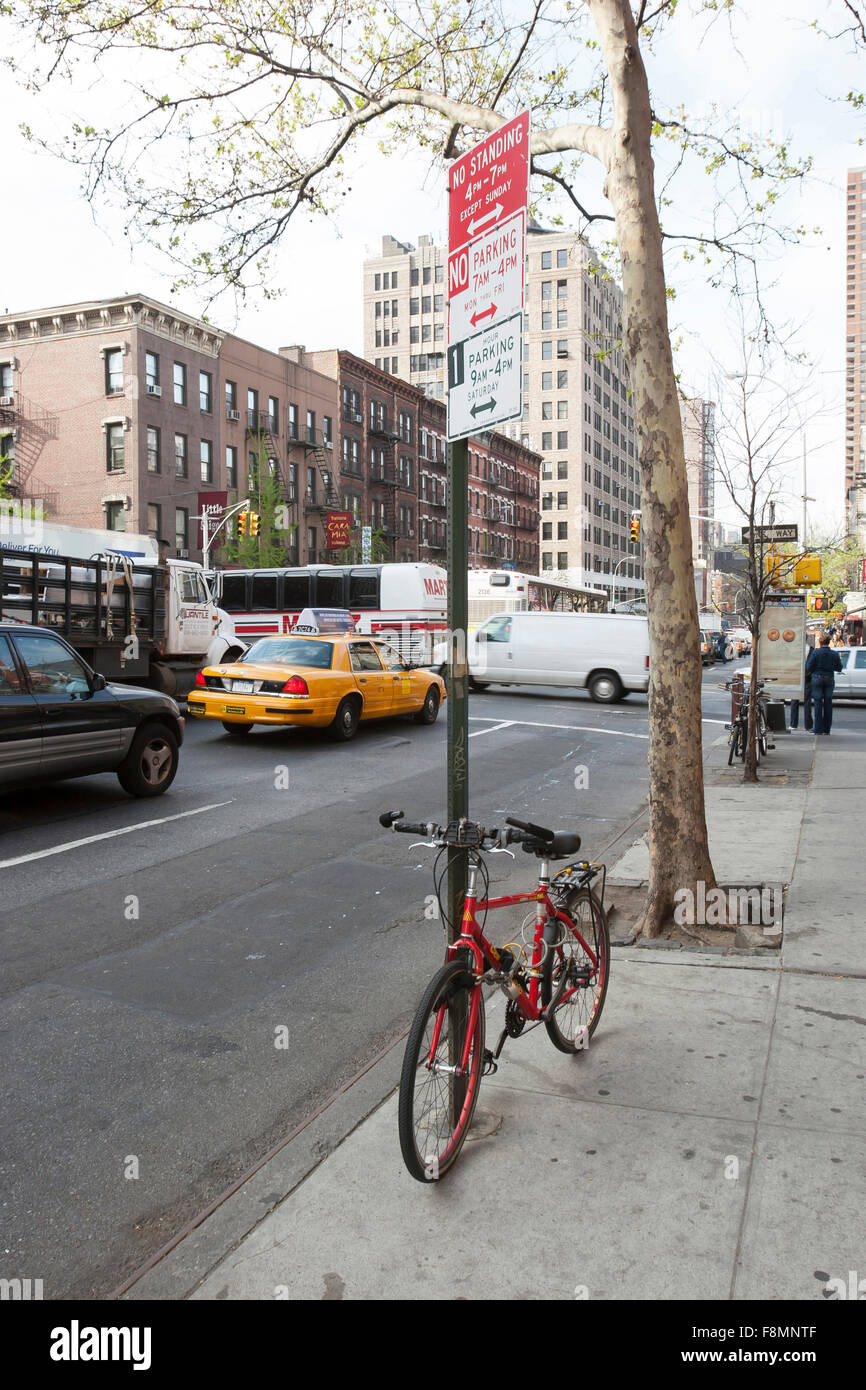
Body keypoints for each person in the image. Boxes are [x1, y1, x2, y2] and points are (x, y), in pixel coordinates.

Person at [806, 634, 843, 735]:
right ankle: (827, 729)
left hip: (817, 678)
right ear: (828, 642)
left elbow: (809, 667)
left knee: (818, 704)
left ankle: (818, 729)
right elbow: (839, 668)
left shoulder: (815, 653)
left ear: (821, 642)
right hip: (829, 679)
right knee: (828, 703)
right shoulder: (834, 654)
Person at [789, 650, 812, 731]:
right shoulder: (811, 649)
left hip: (797, 677)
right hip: (807, 678)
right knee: (807, 702)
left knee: (794, 700)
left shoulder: (796, 648)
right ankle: (808, 725)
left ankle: (793, 724)